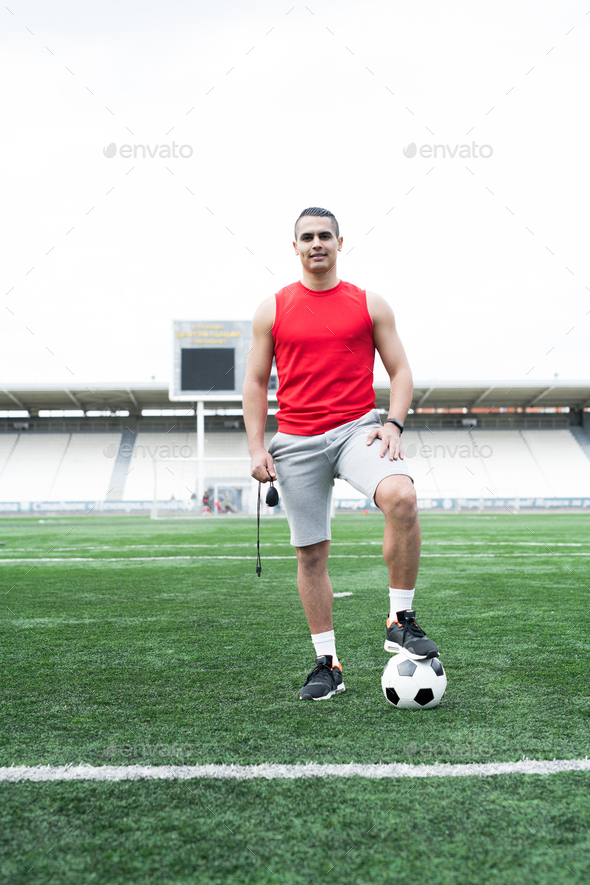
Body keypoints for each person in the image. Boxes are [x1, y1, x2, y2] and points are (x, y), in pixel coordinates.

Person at [243, 207, 439, 702]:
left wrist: (393, 422)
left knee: (402, 497)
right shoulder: (271, 309)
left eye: (324, 236)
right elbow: (255, 382)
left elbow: (400, 372)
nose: (316, 243)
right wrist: (255, 445)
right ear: (295, 247)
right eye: (306, 237)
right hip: (295, 442)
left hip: (357, 431)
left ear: (339, 242)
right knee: (310, 555)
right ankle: (327, 664)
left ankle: (400, 618)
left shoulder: (370, 304)